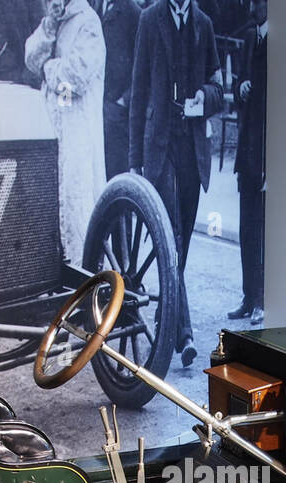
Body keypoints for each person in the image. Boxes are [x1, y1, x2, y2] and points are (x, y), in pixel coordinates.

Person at [129, 0, 223, 366]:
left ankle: (165, 316)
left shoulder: (204, 24)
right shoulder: (149, 19)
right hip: (160, 147)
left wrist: (203, 97)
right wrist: (134, 159)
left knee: (178, 246)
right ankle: (182, 333)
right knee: (174, 237)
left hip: (192, 150)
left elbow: (217, 85)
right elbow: (138, 89)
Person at [25, 0, 106, 265]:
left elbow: (74, 79)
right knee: (51, 203)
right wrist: (49, 25)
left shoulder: (88, 22)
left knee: (77, 204)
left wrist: (48, 68)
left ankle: (83, 272)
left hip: (78, 131)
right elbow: (30, 56)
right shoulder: (53, 21)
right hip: (52, 126)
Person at [228, 0, 265, 326]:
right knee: (247, 228)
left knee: (264, 232)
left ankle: (262, 300)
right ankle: (247, 296)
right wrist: (240, 86)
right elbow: (237, 82)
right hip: (247, 153)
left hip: (267, 155)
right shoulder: (251, 38)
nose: (256, 6)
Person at [94, 0, 139, 179]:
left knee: (116, 179)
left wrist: (124, 101)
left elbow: (142, 65)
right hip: (95, 108)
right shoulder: (93, 7)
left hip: (117, 115)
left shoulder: (133, 12)